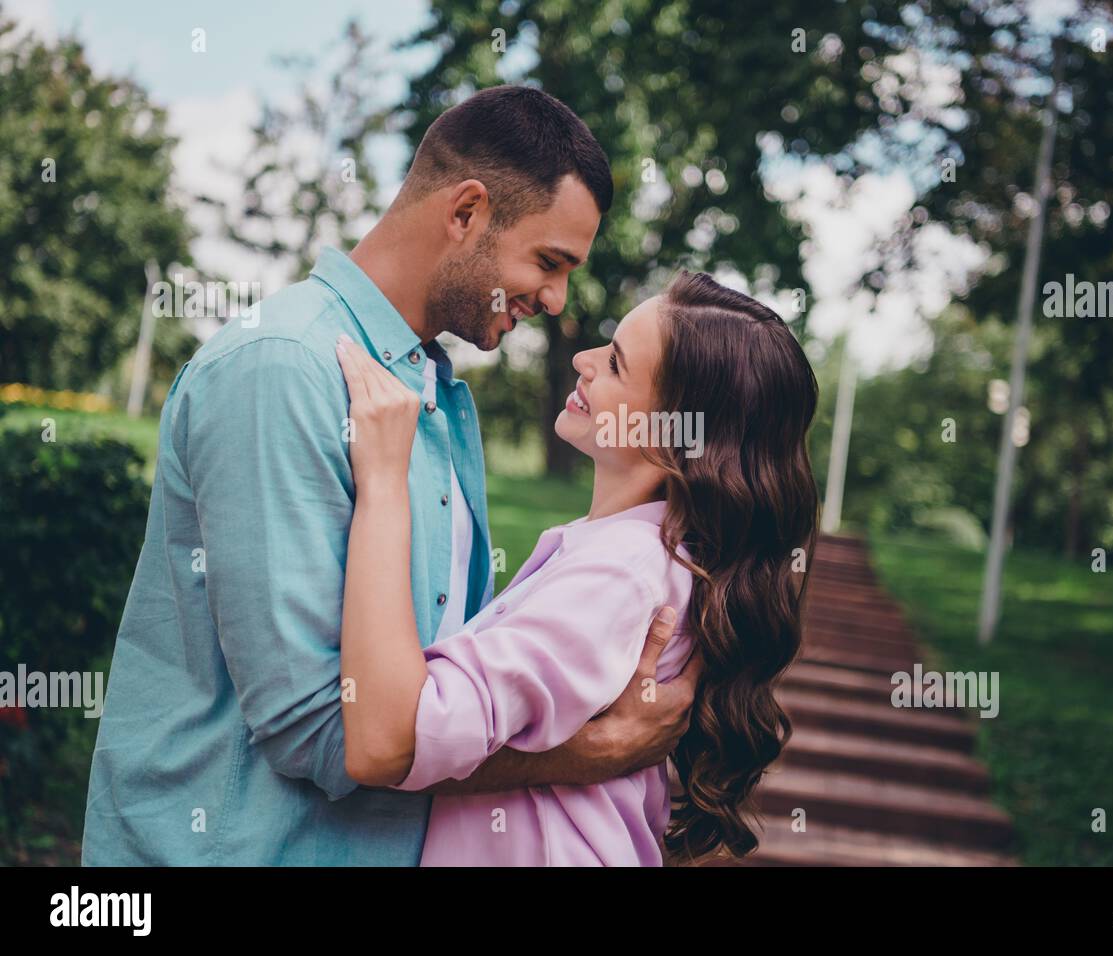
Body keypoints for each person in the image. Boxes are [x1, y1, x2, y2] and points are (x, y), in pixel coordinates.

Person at [81, 85, 699, 866]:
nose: (556, 299)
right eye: (549, 262)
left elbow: (429, 685)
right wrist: (586, 755)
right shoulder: (286, 369)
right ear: (467, 212)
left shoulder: (433, 394)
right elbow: (324, 728)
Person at [335, 270, 820, 865]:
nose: (585, 360)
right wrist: (599, 746)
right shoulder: (637, 556)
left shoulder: (623, 573)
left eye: (616, 364)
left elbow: (398, 737)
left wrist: (383, 481)